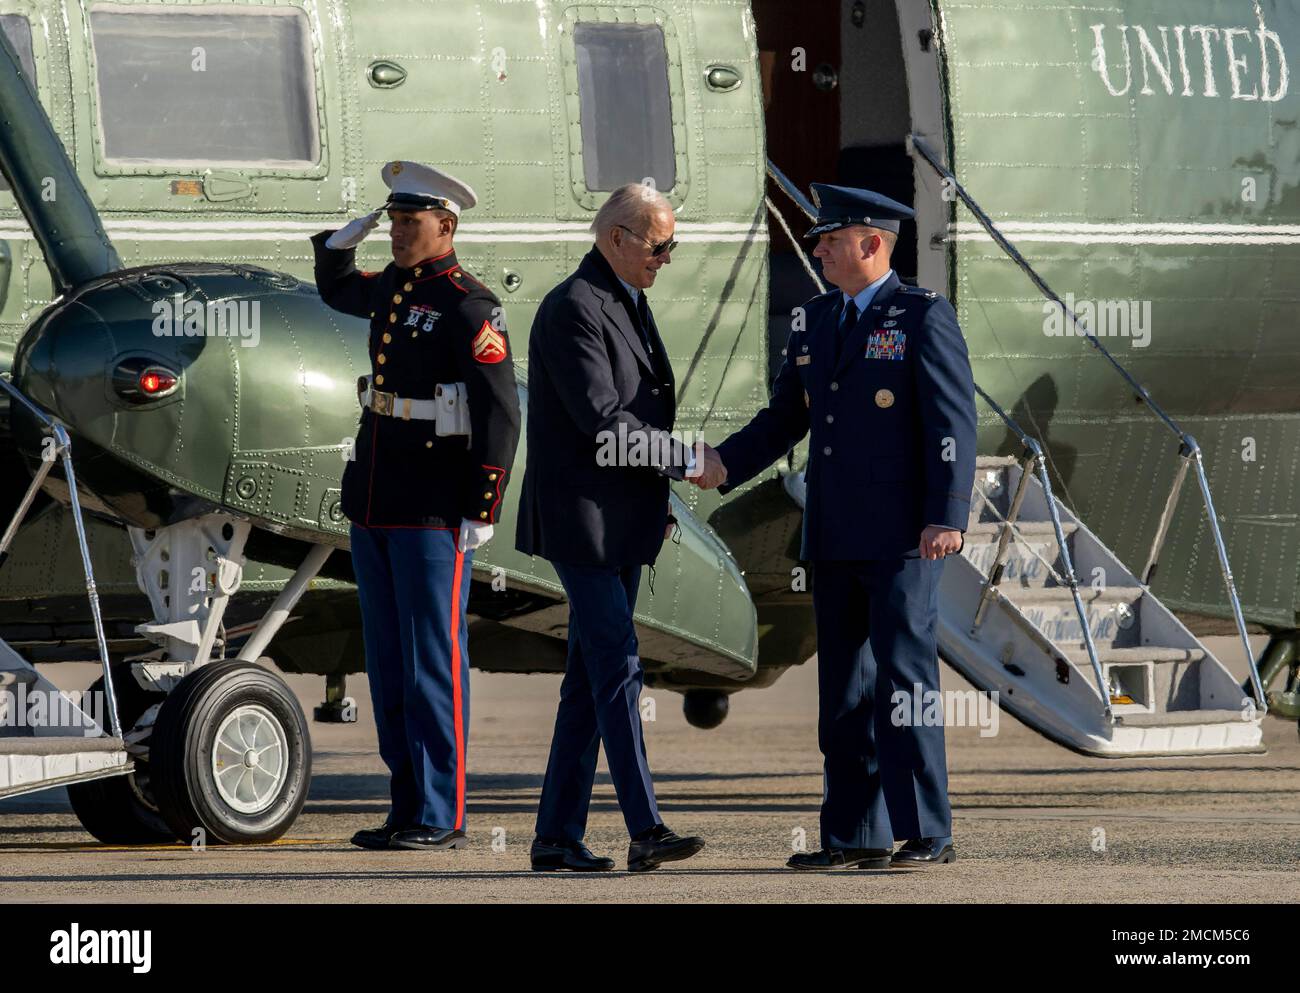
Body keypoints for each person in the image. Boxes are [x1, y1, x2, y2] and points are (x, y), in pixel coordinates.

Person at [699, 183, 977, 870]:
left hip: (904, 536)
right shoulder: (816, 319)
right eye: (818, 239)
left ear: (872, 243)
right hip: (834, 531)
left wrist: (947, 514)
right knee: (843, 691)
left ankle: (927, 830)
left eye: (830, 238)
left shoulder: (921, 316)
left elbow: (952, 423)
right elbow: (784, 418)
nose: (817, 247)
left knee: (904, 683)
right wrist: (723, 463)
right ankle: (856, 833)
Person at [311, 161, 520, 851]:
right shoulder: (395, 289)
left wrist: (483, 503)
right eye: (393, 220)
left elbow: (500, 411)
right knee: (390, 661)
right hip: (377, 496)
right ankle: (406, 803)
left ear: (446, 226)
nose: (398, 232)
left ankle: (441, 811)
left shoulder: (468, 304)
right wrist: (346, 235)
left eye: (410, 222)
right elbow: (338, 285)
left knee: (433, 660)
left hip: (433, 503)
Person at [515, 183, 715, 872]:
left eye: (671, 245)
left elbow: (641, 413)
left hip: (621, 519)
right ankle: (645, 826)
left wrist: (657, 499)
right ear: (616, 238)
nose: (666, 258)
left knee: (589, 677)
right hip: (583, 523)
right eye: (659, 245)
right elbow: (606, 426)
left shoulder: (626, 298)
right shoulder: (574, 306)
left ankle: (555, 837)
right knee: (619, 664)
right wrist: (686, 460)